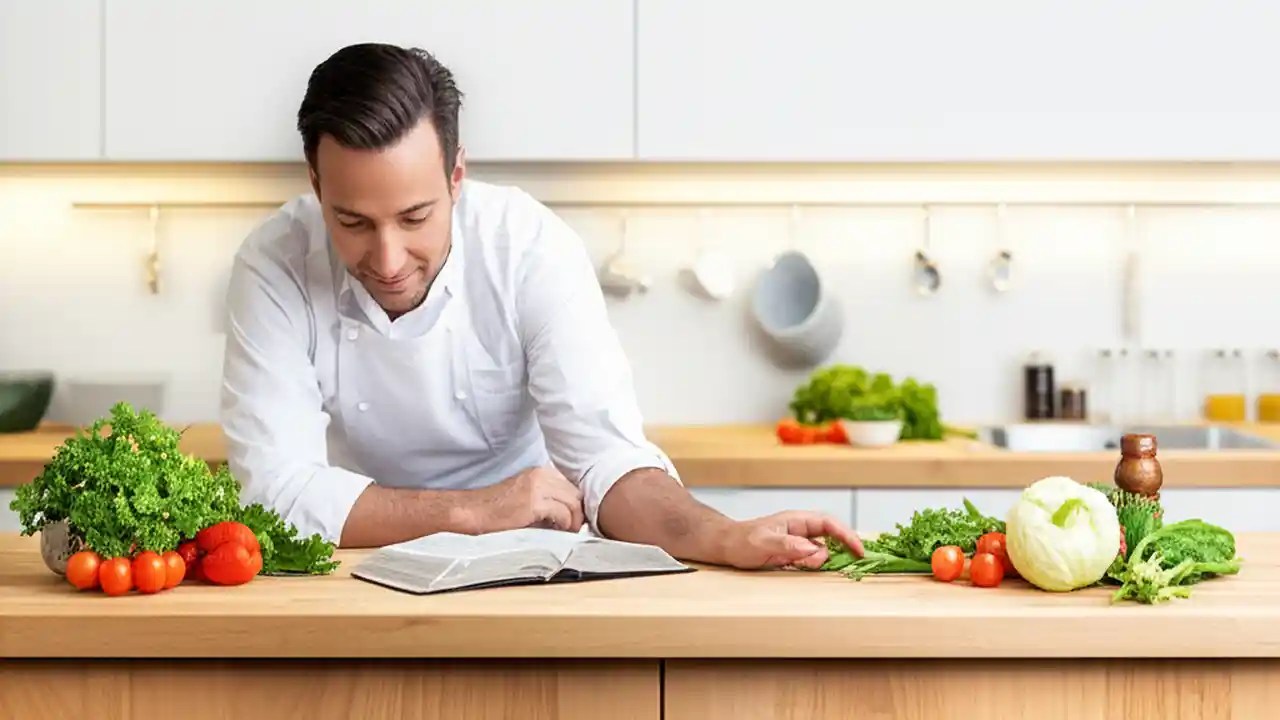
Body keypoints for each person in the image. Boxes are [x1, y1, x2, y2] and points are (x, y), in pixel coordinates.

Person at [219, 42, 863, 570]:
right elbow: (277, 494)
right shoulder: (275, 263)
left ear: (456, 176)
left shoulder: (528, 246)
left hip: (528, 560)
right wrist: (471, 511)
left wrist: (724, 536)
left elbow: (607, 459)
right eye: (352, 221)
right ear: (315, 184)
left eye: (415, 217)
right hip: (357, 562)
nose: (388, 259)